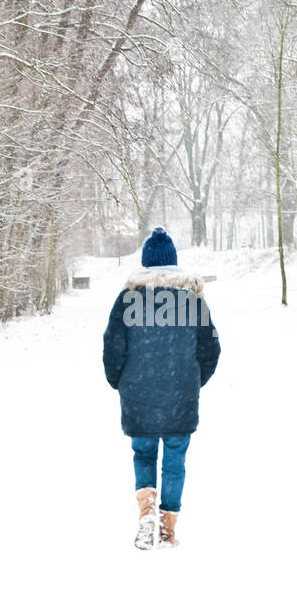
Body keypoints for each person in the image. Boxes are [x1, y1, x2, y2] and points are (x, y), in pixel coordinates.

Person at [102, 227, 221, 549]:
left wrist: (119, 381)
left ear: (144, 265)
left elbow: (113, 346)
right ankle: (168, 528)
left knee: (143, 454)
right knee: (174, 460)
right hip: (181, 393)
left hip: (138, 392)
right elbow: (210, 349)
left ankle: (147, 515)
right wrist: (193, 381)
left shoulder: (128, 299)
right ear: (174, 265)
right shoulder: (192, 301)